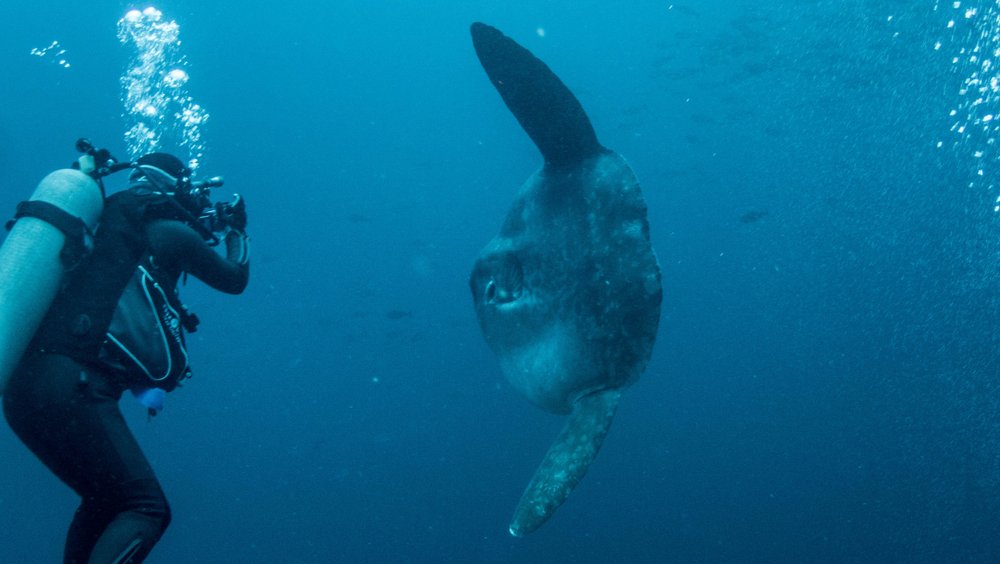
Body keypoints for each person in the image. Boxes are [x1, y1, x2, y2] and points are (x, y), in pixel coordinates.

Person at [2, 150, 250, 563]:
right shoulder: (167, 233)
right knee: (147, 508)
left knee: (105, 500)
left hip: (25, 390)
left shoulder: (107, 232)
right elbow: (235, 279)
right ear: (177, 189)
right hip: (74, 386)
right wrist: (238, 230)